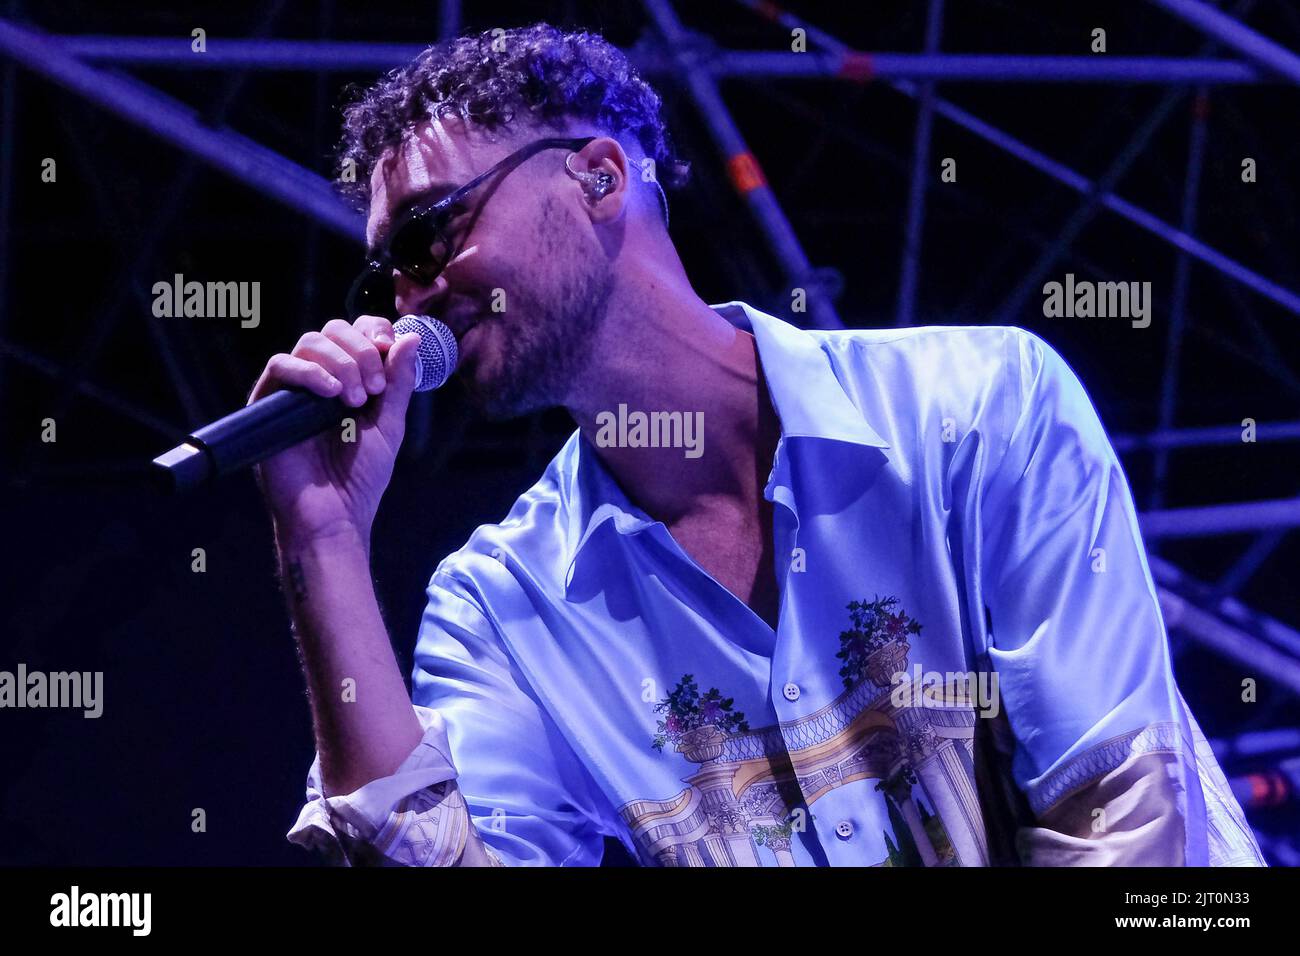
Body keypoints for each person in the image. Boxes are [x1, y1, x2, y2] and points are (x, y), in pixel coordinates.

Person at [249, 22, 1265, 866]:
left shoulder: (981, 403)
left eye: (431, 230)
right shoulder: (503, 605)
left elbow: (1122, 815)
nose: (411, 294)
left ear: (599, 177)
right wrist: (322, 540)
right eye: (386, 272)